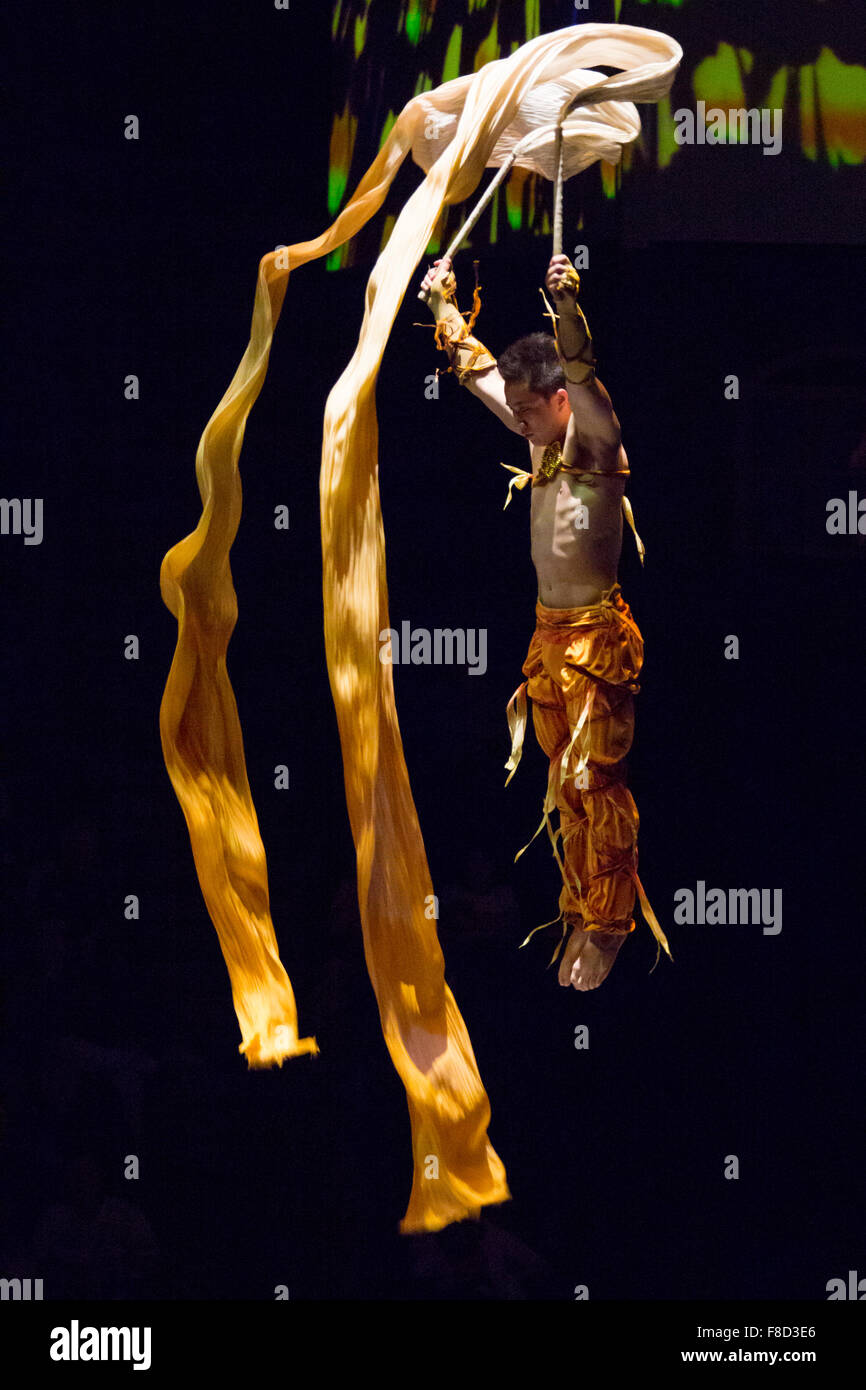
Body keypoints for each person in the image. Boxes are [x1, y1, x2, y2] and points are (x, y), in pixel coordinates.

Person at [419, 253, 670, 991]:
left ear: (558, 400)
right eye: (520, 411)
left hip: (596, 640)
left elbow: (585, 374)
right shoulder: (540, 432)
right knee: (563, 786)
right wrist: (441, 304)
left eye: (531, 409)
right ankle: (580, 909)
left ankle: (613, 924)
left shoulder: (595, 440)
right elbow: (477, 374)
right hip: (547, 636)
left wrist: (565, 306)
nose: (519, 420)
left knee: (598, 781)